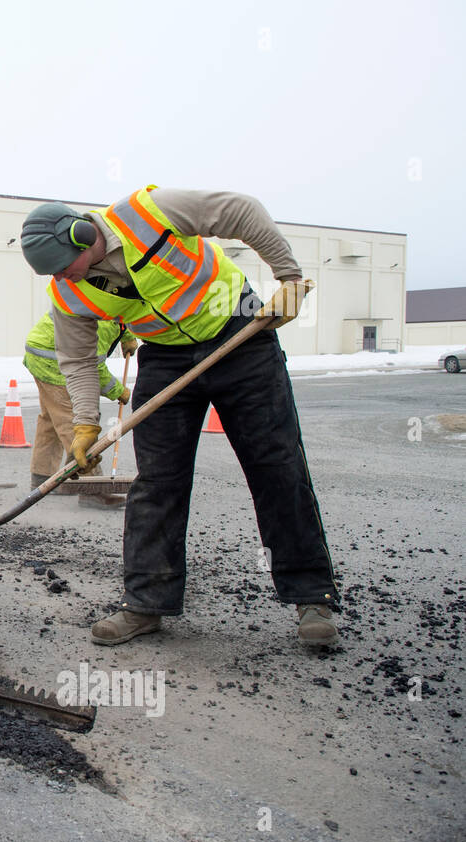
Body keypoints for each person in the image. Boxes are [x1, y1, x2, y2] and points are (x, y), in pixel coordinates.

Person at [19, 187, 339, 648]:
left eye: (65, 263)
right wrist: (87, 423)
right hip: (167, 357)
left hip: (240, 333)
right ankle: (145, 603)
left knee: (276, 466)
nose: (64, 276)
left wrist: (288, 278)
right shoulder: (67, 290)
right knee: (157, 481)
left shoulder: (148, 213)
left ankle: (312, 596)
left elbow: (241, 211)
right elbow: (77, 361)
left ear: (83, 234)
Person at [23, 311, 137, 508]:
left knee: (51, 420)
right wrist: (119, 391)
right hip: (52, 361)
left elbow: (121, 318)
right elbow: (93, 367)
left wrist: (127, 337)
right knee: (76, 423)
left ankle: (43, 479)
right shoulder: (101, 325)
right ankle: (92, 490)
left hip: (40, 352)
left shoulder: (112, 309)